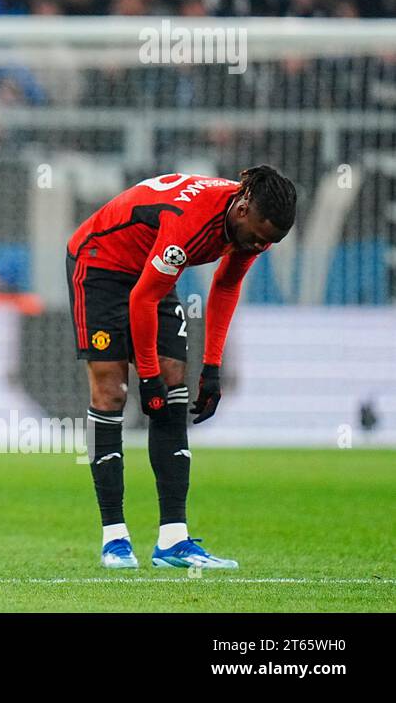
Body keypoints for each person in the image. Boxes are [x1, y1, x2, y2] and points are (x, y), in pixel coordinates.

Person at [65, 167, 297, 570]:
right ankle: (114, 539)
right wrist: (148, 378)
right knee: (111, 392)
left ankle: (173, 539)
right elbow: (140, 301)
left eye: (271, 241)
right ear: (243, 209)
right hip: (100, 263)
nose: (262, 245)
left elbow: (224, 287)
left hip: (151, 269)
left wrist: (211, 369)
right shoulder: (191, 224)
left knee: (176, 388)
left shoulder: (250, 227)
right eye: (260, 235)